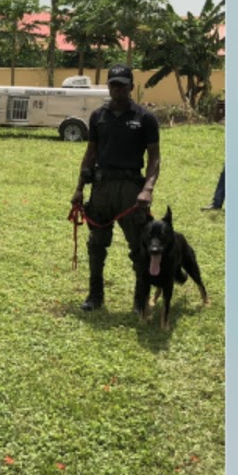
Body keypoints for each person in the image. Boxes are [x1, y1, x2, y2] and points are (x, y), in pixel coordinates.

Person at [72, 62, 160, 312]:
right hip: (102, 188)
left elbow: (154, 157)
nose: (118, 90)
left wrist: (148, 189)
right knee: (96, 244)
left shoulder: (145, 118)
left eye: (123, 86)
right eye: (114, 85)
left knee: (138, 246)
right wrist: (79, 188)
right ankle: (95, 295)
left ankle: (139, 299)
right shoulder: (98, 117)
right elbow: (91, 153)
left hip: (131, 189)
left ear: (131, 87)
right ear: (108, 87)